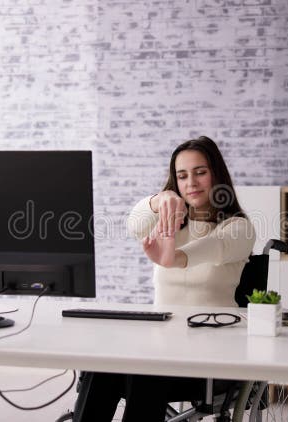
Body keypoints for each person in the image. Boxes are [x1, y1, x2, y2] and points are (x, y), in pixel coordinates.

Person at [76, 136, 256, 421]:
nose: (191, 183)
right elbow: (133, 223)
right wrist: (159, 200)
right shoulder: (169, 222)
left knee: (147, 370)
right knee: (103, 363)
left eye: (200, 172)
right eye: (182, 176)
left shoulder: (239, 228)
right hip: (161, 349)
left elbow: (209, 249)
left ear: (217, 175)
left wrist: (173, 257)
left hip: (212, 359)